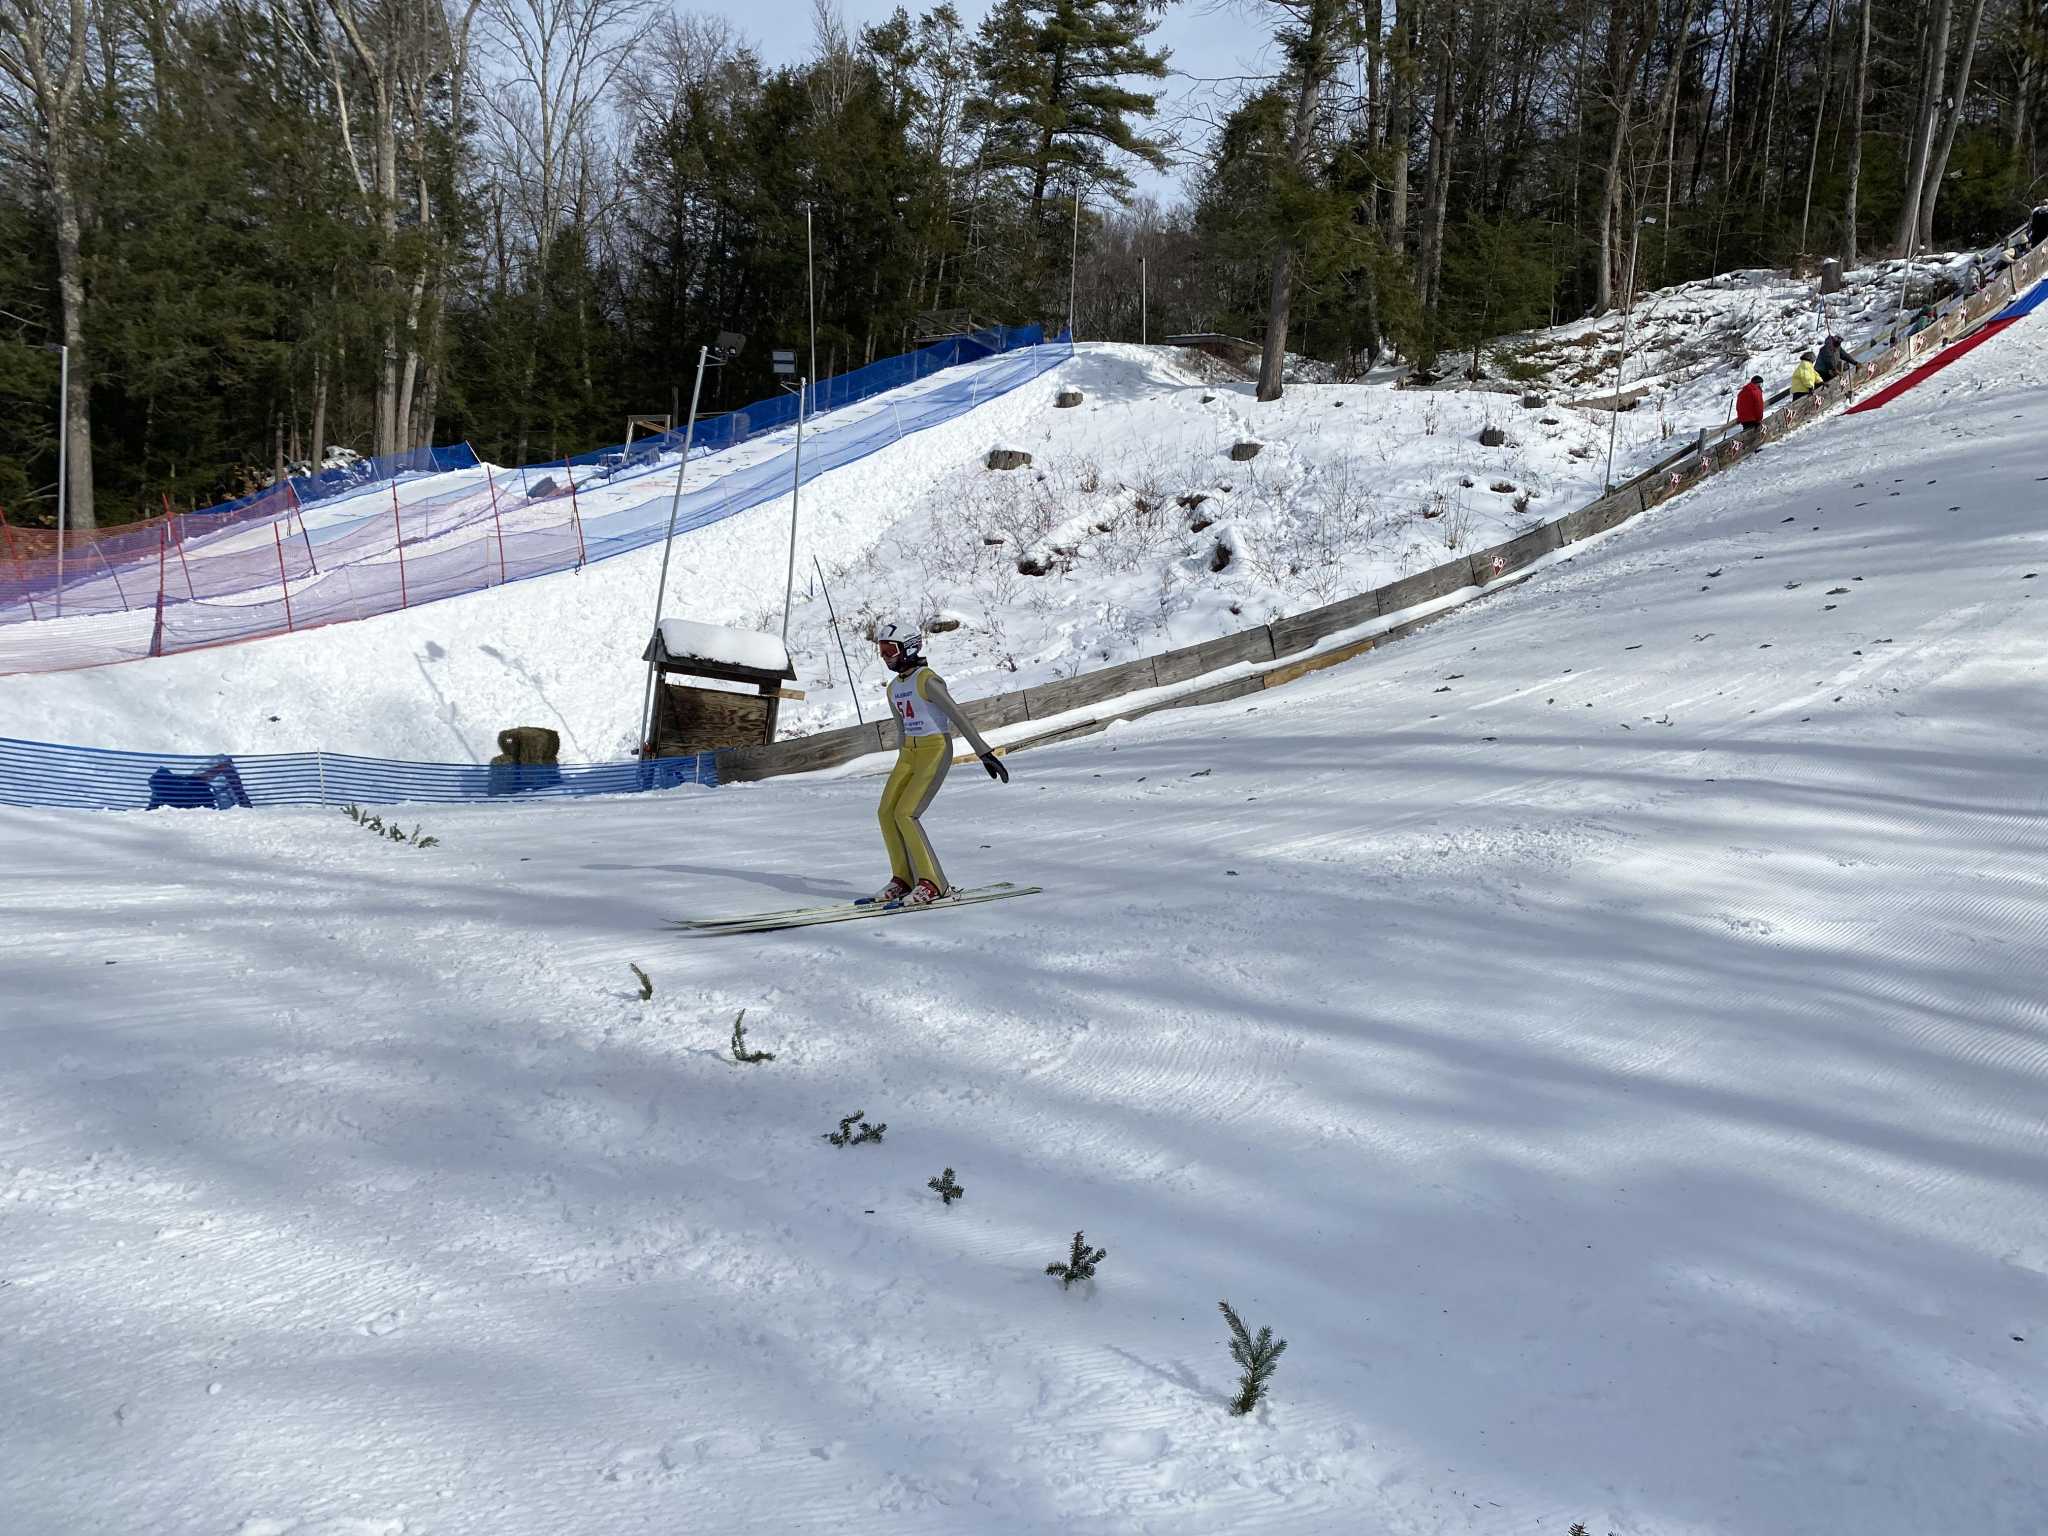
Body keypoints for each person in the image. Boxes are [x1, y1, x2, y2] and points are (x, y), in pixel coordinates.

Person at [871, 618, 1008, 907]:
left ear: (909, 649)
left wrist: (983, 751)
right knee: (886, 812)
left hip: (934, 749)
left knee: (906, 813)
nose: (885, 657)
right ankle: (903, 878)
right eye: (882, 651)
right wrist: (901, 760)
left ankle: (934, 883)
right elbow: (902, 727)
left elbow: (958, 716)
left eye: (890, 650)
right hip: (909, 753)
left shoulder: (927, 680)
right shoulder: (894, 687)